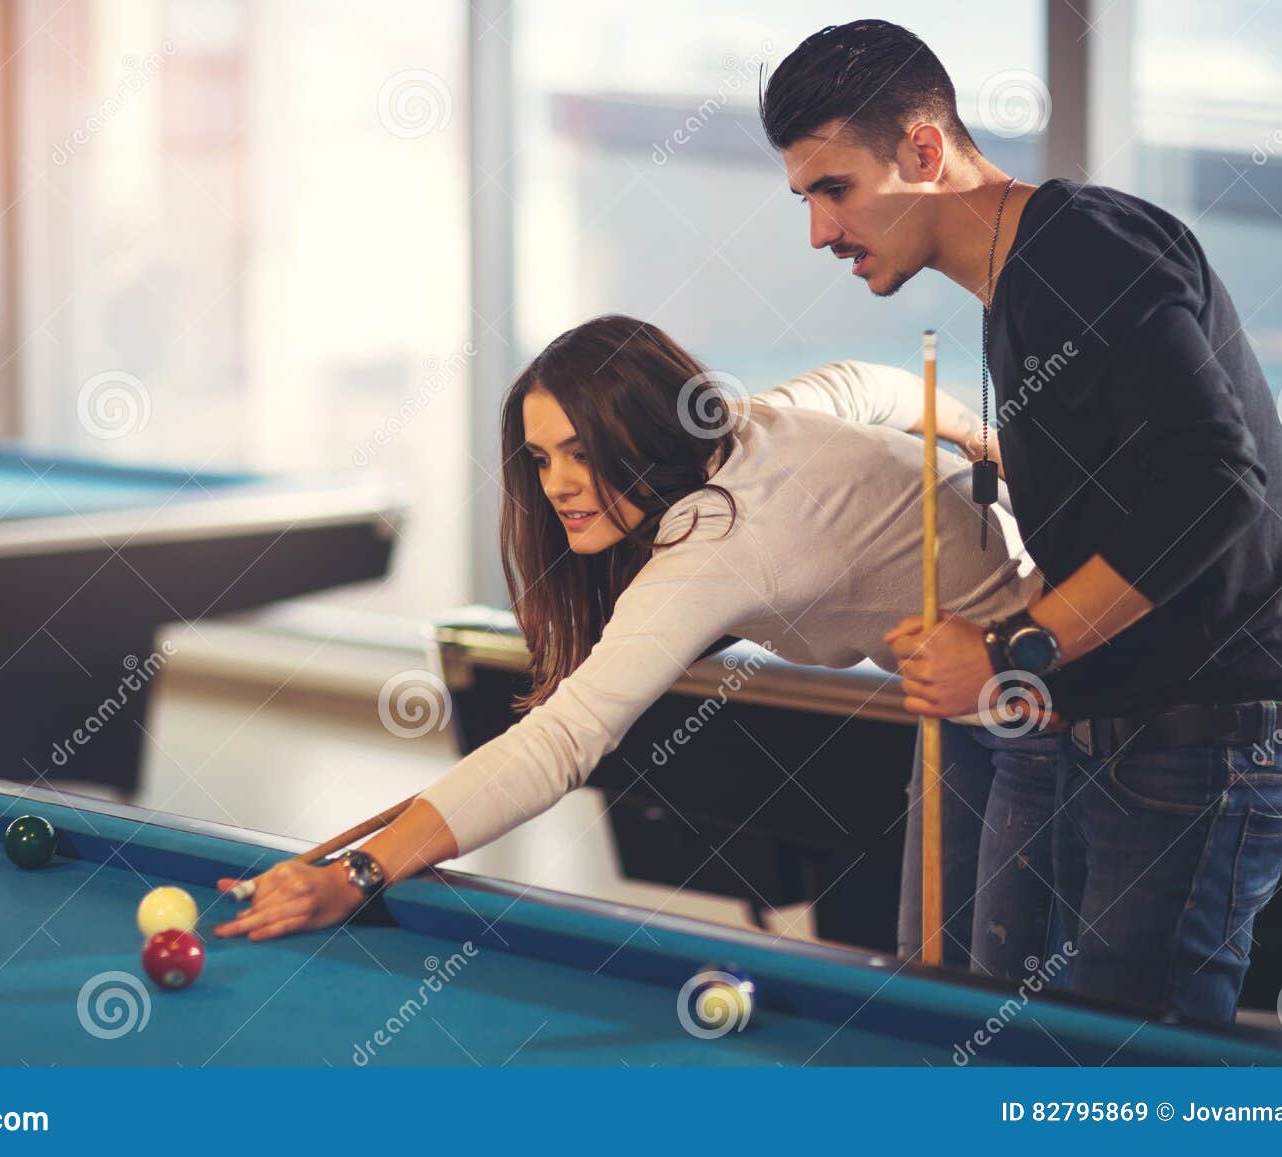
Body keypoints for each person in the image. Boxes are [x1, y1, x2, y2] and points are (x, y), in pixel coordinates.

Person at [759, 19, 1282, 1023]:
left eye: (834, 189)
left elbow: (1212, 481)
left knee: (1119, 1085)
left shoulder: (1081, 250)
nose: (818, 232)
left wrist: (1012, 648)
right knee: (1041, 1061)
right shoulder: (1023, 278)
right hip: (1115, 728)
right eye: (804, 198)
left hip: (1204, 737)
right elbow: (1134, 488)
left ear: (923, 151)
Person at [215, 314, 1056, 977]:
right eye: (542, 458)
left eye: (581, 453)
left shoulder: (718, 541)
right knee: (933, 974)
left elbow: (559, 741)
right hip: (959, 700)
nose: (557, 485)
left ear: (645, 432)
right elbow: (871, 385)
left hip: (1043, 691)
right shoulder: (744, 426)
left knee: (991, 996)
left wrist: (358, 873)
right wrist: (973, 435)